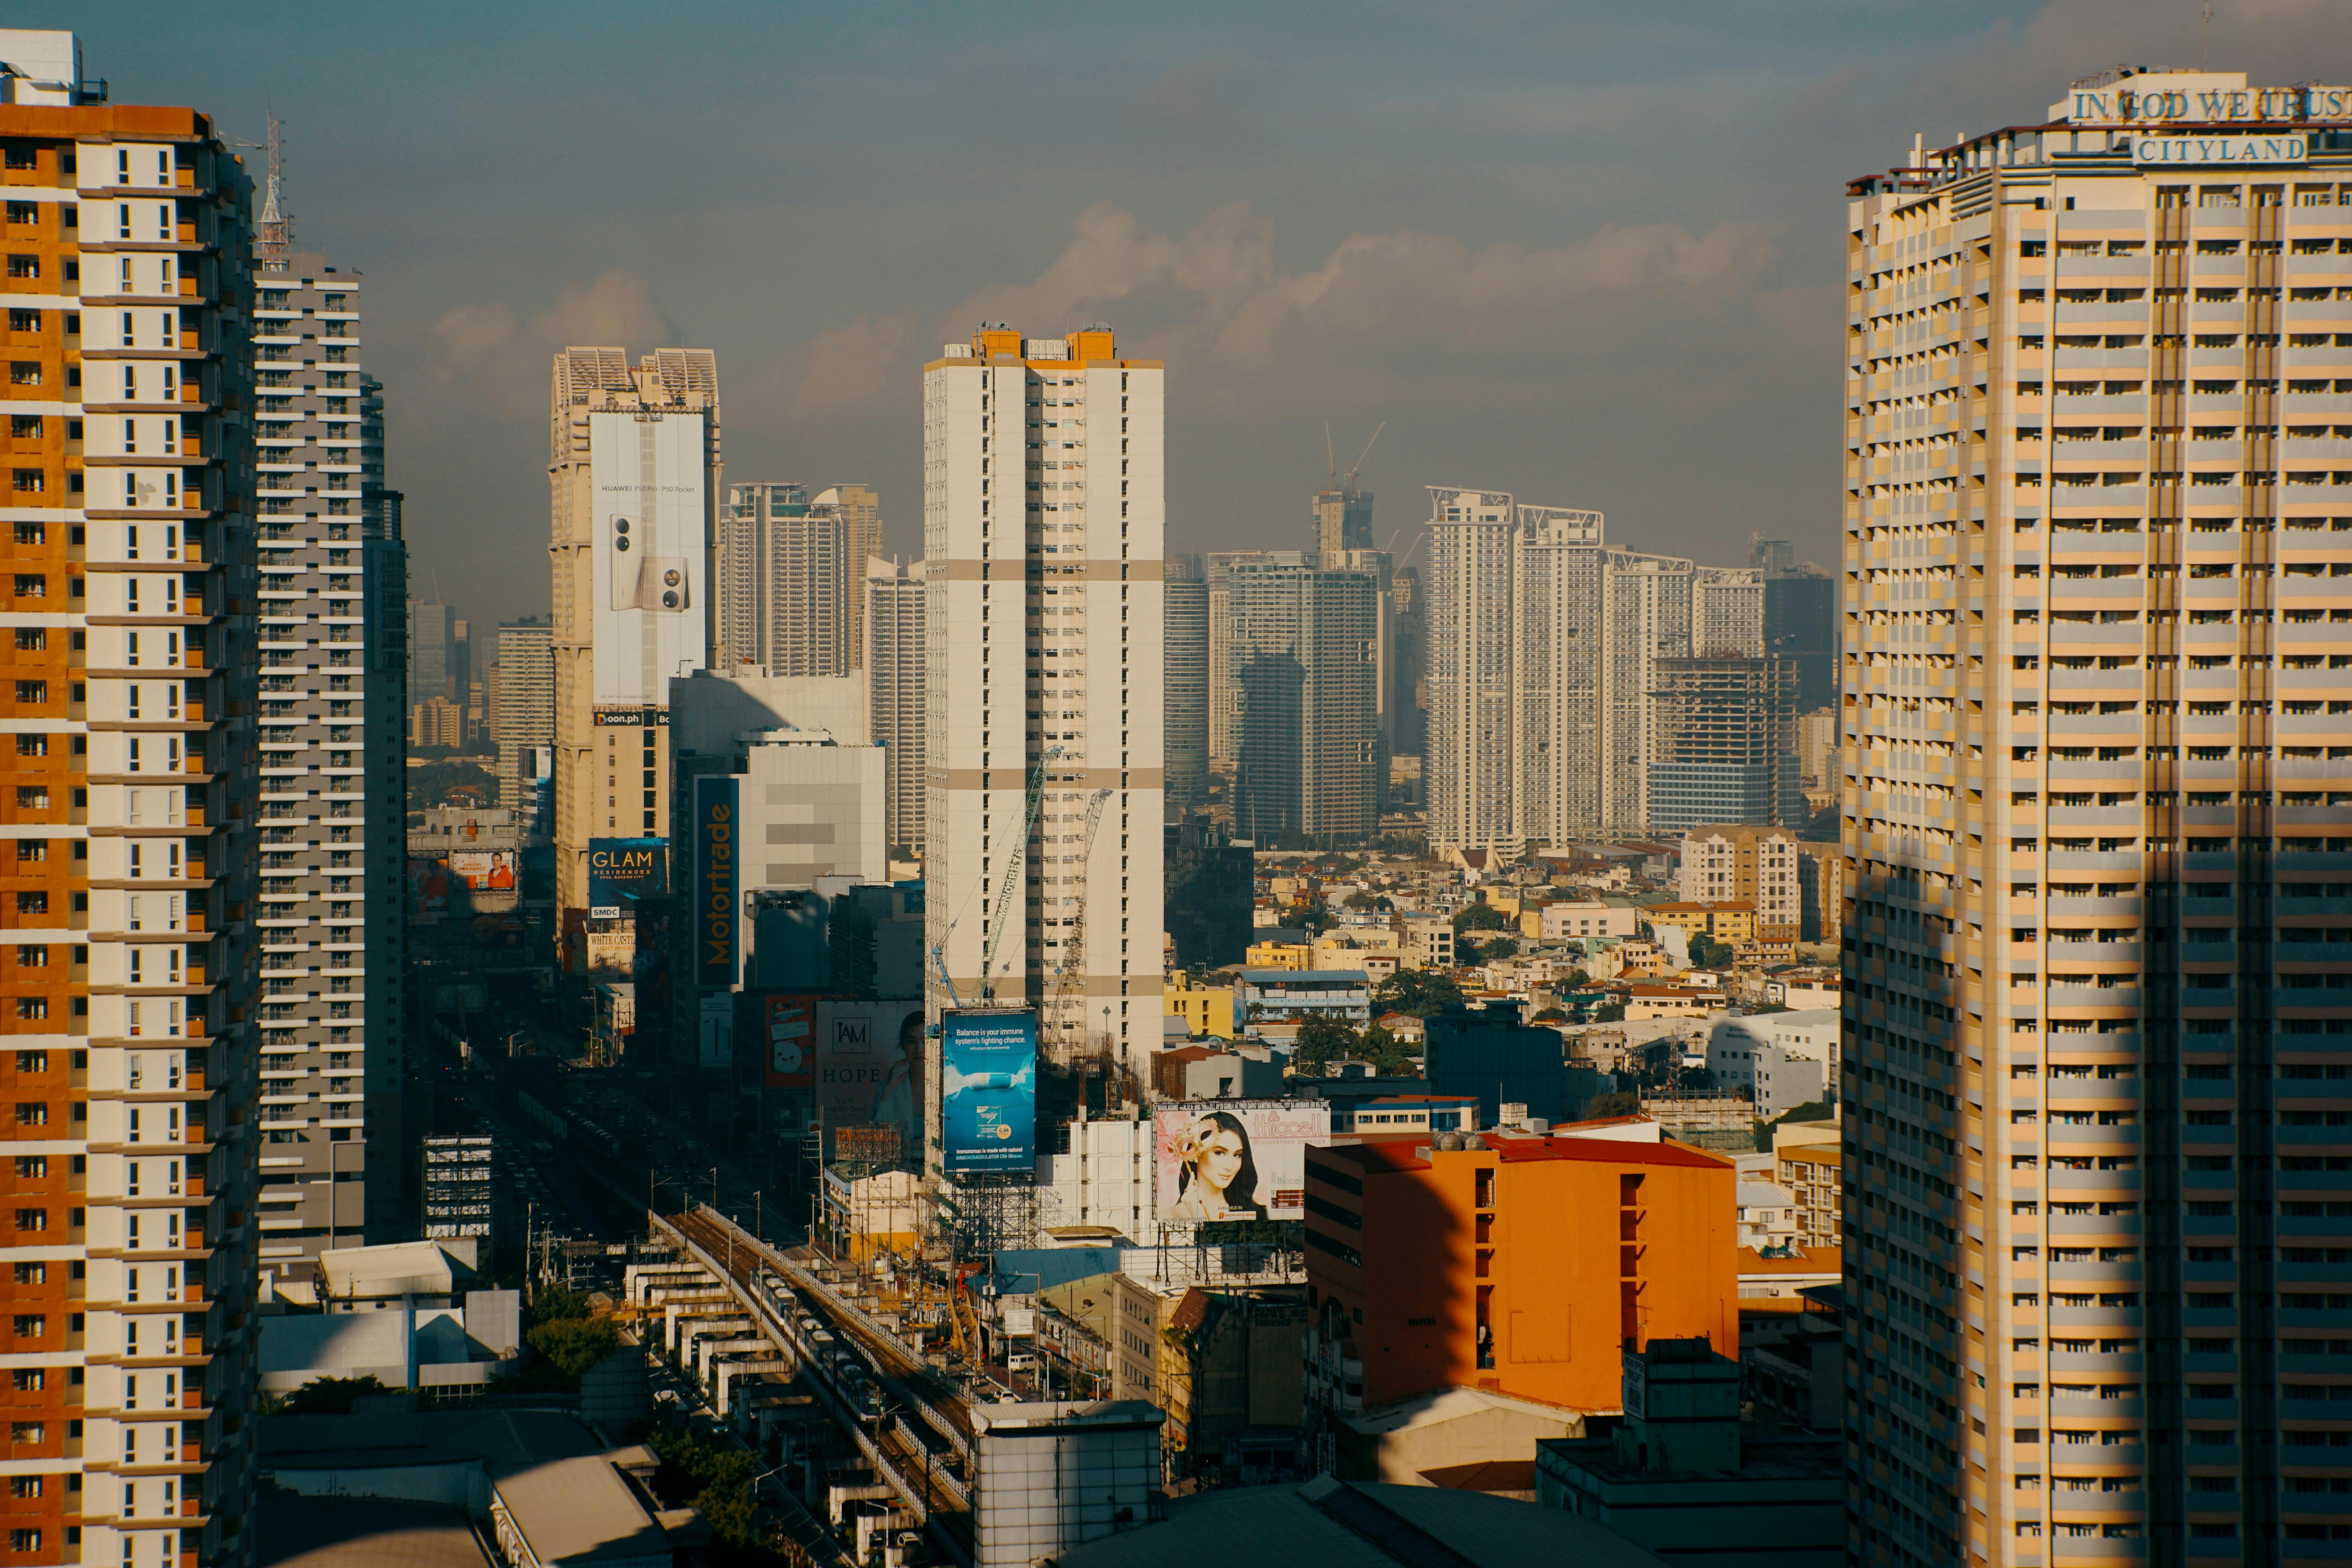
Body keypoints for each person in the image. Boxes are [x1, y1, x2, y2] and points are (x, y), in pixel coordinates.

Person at [1167, 1109, 1267, 1221]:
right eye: (1220, 1153)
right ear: (1196, 1154)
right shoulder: (1170, 1216)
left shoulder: (1255, 1209)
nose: (1229, 1166)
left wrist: (1199, 1215)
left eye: (1238, 1155)